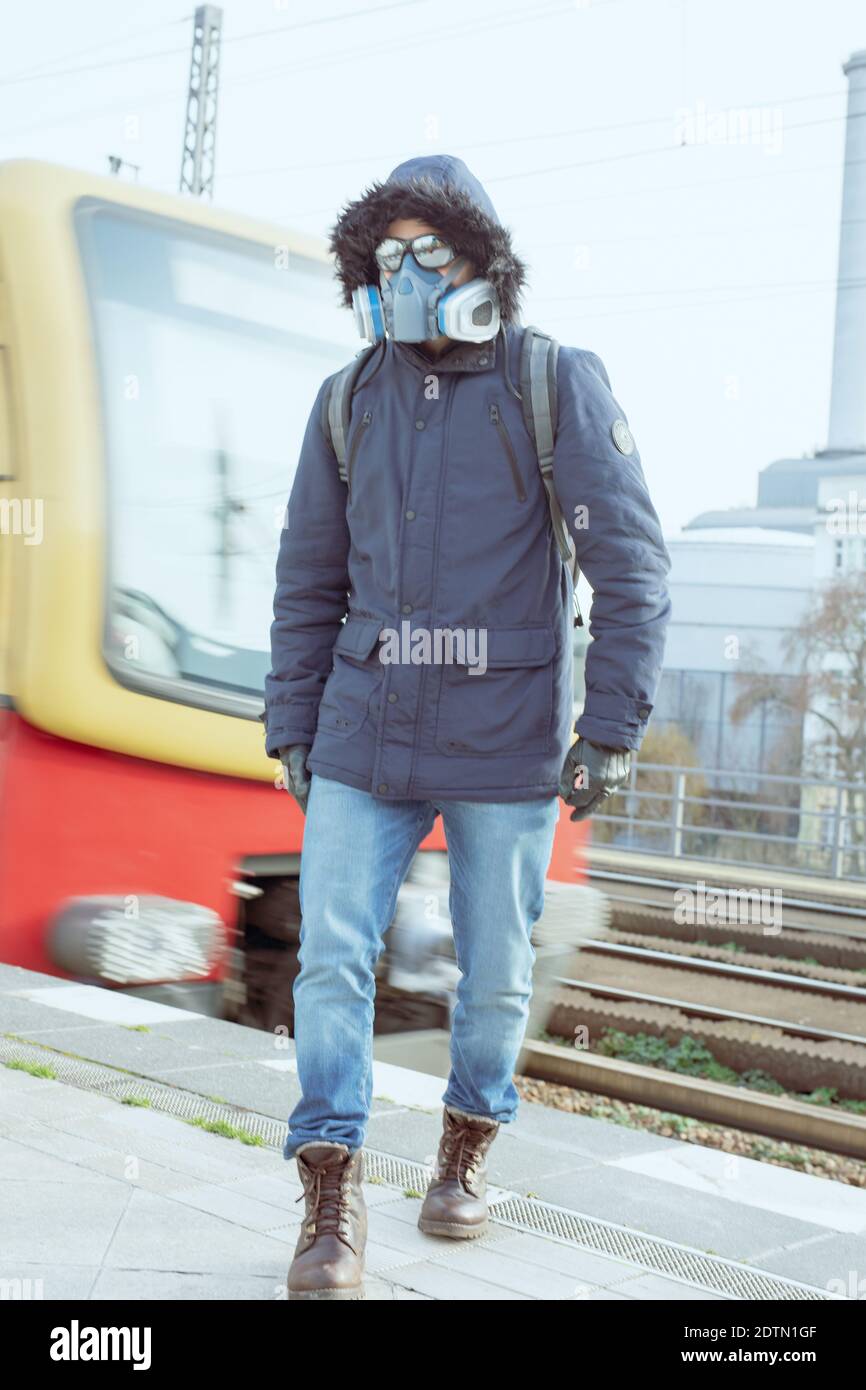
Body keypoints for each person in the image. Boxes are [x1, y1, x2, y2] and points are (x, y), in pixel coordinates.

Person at [261, 154, 671, 1299]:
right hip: (361, 728)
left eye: (426, 254)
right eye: (384, 258)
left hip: (504, 736)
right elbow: (307, 579)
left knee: (491, 977)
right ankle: (329, 1195)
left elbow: (628, 565)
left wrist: (611, 724)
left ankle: (460, 1153)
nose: (404, 276)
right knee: (330, 957)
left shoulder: (553, 383)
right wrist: (291, 718)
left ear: (478, 260)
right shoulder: (346, 399)